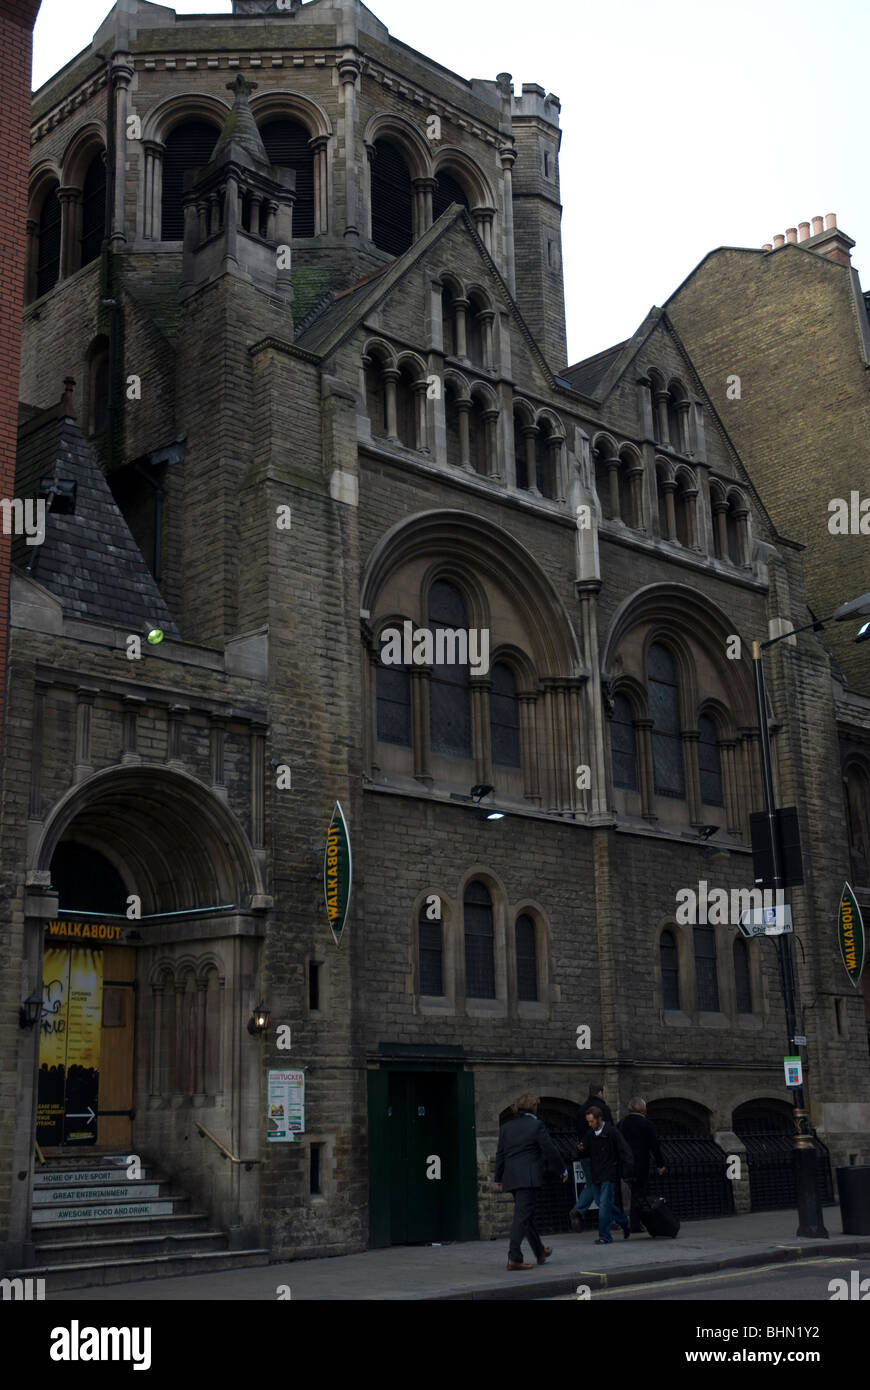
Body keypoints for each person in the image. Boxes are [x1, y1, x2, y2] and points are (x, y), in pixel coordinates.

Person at [495, 1093, 568, 1270]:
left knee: (525, 1215)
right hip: (528, 1178)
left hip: (511, 1177)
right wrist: (562, 1170)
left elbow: (500, 1154)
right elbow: (549, 1149)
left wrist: (499, 1178)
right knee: (521, 1217)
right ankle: (514, 1258)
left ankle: (540, 1251)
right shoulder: (536, 1125)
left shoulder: (506, 1126)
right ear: (533, 1107)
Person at [571, 1105, 634, 1244]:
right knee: (602, 1202)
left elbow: (625, 1150)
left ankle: (604, 1236)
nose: (590, 1124)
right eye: (588, 1121)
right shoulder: (590, 1134)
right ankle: (624, 1221)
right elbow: (585, 1152)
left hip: (609, 1172)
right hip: (596, 1173)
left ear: (599, 1119)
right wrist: (580, 1149)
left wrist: (627, 1171)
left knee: (604, 1204)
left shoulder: (612, 1132)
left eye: (592, 1121)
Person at [619, 1096, 666, 1233]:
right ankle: (636, 1223)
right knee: (639, 1193)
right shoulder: (646, 1124)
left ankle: (635, 1222)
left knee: (635, 1193)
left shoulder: (622, 1123)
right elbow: (654, 1146)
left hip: (625, 1164)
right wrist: (660, 1164)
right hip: (640, 1164)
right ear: (643, 1108)